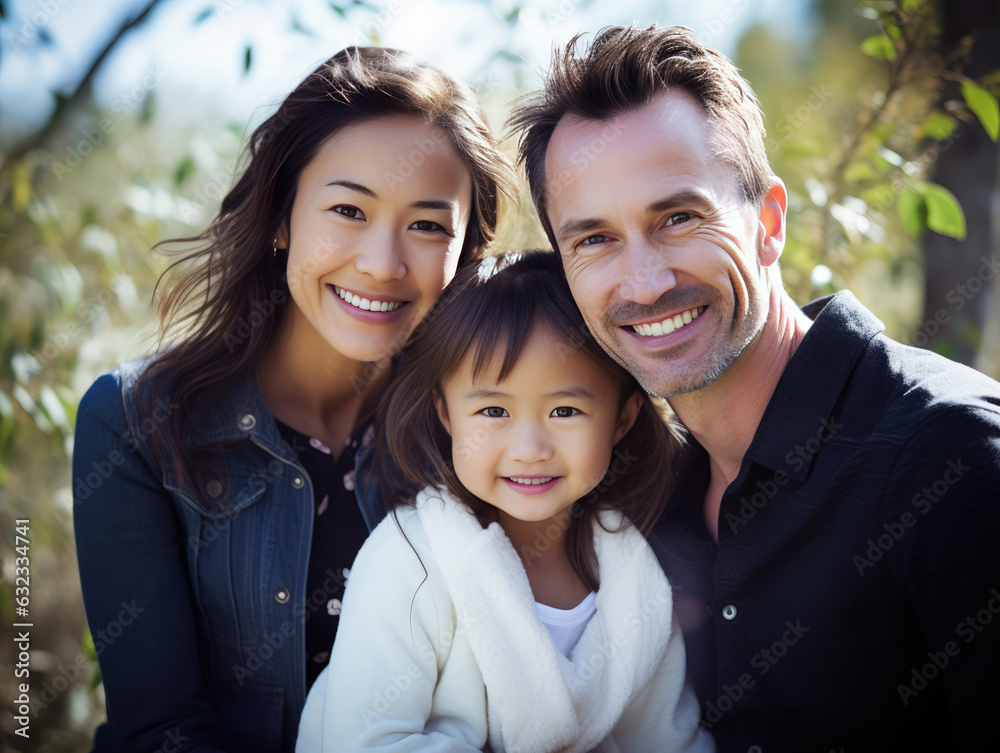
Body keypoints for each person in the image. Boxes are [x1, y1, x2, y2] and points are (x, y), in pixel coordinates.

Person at [508, 24, 1000, 753]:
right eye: (595, 239)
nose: (644, 283)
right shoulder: (635, 492)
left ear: (768, 223)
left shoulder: (948, 459)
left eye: (678, 217)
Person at [72, 46, 515, 753]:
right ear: (282, 217)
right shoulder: (135, 421)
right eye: (347, 209)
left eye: (427, 225)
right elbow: (163, 732)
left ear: (465, 251)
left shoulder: (486, 428)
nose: (382, 262)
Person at [296, 251, 715, 752]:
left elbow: (671, 740)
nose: (530, 450)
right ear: (447, 416)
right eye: (494, 410)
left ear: (622, 419)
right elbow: (364, 741)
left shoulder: (635, 573)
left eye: (565, 410)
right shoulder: (411, 559)